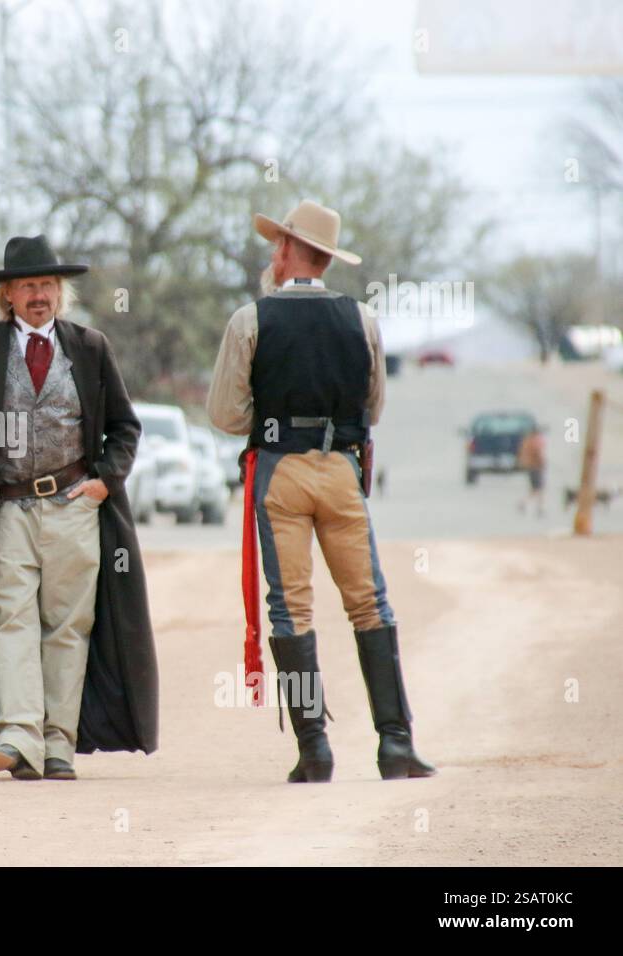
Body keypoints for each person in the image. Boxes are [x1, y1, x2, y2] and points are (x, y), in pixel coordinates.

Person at [207, 200, 435, 783]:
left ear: (286, 250)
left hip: (280, 471)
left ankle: (314, 748)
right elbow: (374, 406)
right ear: (327, 257)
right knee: (369, 603)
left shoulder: (249, 320)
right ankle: (395, 744)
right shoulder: (362, 319)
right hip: (341, 469)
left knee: (291, 608)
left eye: (276, 245)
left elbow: (227, 415)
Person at [0, 235, 158, 781]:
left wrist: (104, 481)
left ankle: (58, 744)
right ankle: (18, 738)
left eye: (49, 285)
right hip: (5, 509)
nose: (40, 295)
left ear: (60, 293)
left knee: (67, 626)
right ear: (7, 294)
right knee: (12, 620)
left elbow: (125, 427)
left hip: (74, 505)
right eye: (29, 285)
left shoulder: (91, 347)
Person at [517, 425, 547, 517]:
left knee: (537, 489)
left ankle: (539, 507)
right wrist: (542, 462)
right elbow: (537, 452)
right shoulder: (534, 441)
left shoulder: (527, 440)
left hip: (531, 466)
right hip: (535, 466)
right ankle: (529, 505)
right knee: (537, 489)